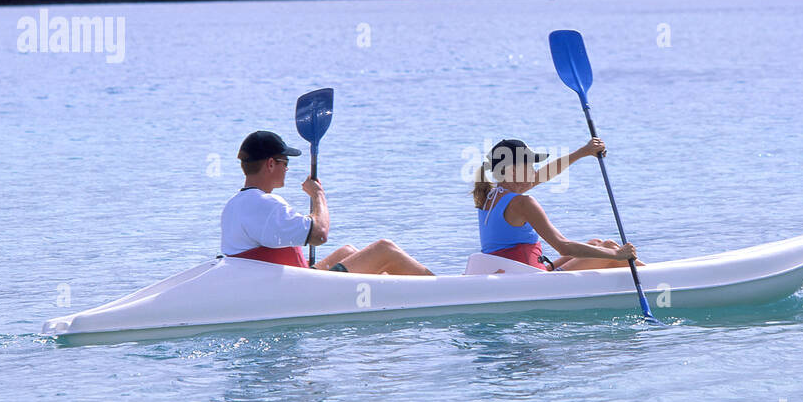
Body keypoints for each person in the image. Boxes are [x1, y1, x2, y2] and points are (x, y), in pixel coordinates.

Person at [221, 130, 433, 275]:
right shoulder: (266, 204)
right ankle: (442, 289)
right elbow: (319, 234)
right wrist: (318, 195)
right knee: (385, 249)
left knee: (349, 251)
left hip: (280, 283)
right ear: (270, 164)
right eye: (285, 162)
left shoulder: (234, 205)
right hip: (296, 293)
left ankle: (398, 295)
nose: (287, 168)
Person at [472, 137, 639, 272]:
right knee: (609, 247)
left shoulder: (488, 197)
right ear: (513, 171)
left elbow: (546, 173)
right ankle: (656, 282)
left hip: (517, 274)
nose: (535, 170)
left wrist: (583, 152)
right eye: (530, 165)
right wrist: (617, 254)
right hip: (532, 280)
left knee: (595, 243)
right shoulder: (523, 203)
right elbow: (563, 247)